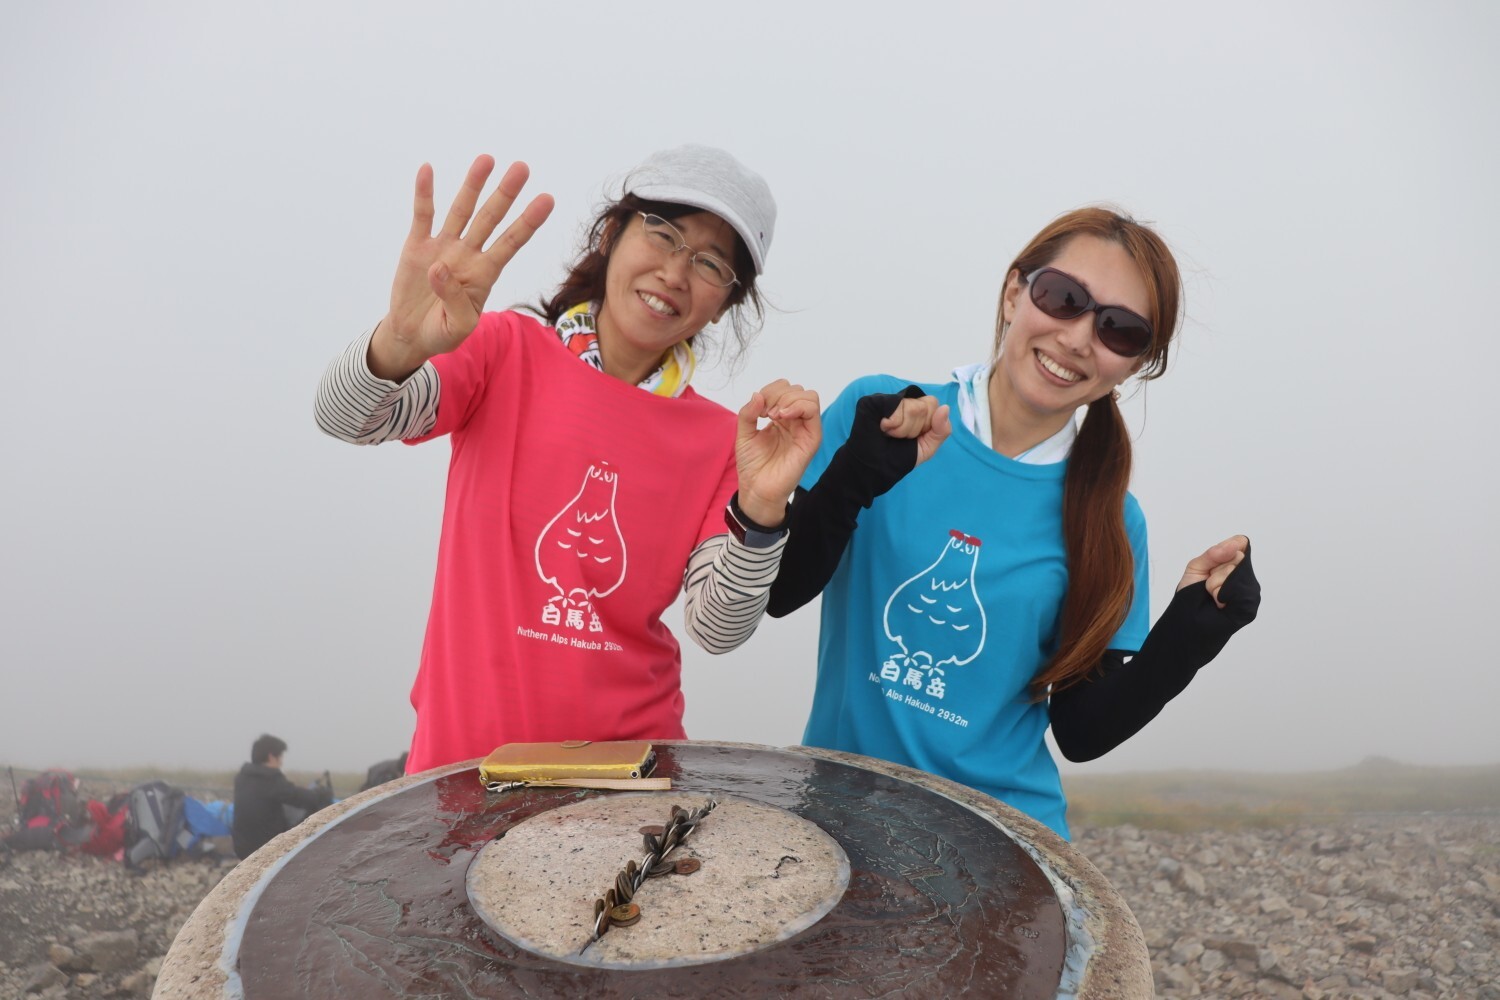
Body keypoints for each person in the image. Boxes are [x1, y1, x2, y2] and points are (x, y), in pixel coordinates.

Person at [314, 146, 819, 773]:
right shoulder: (504, 351)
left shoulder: (724, 441)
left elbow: (717, 627)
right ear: (612, 233)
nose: (675, 272)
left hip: (628, 780)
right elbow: (347, 417)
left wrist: (764, 508)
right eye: (662, 234)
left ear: (726, 302)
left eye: (711, 264)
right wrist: (395, 342)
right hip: (465, 765)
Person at [766, 207, 1261, 840]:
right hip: (837, 815)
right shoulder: (884, 416)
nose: (1079, 338)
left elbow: (1081, 732)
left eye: (1119, 329)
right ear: (1012, 294)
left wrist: (1190, 634)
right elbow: (780, 592)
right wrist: (854, 475)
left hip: (1002, 844)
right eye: (1063, 298)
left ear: (1132, 366)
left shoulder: (1110, 519)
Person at [232, 734, 331, 858]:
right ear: (271, 756)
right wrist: (321, 794)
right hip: (264, 848)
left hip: (242, 847)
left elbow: (285, 793)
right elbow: (300, 797)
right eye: (280, 757)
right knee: (315, 806)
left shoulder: (242, 777)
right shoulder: (270, 779)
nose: (281, 762)